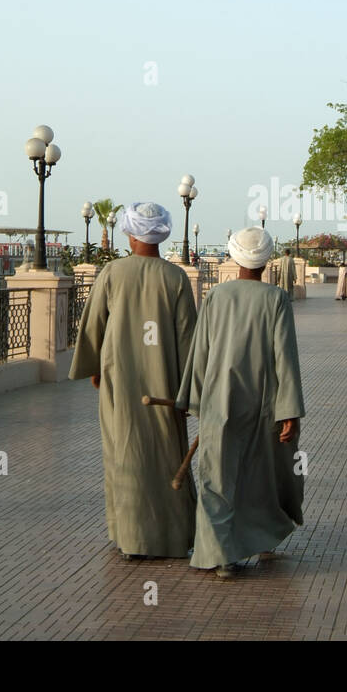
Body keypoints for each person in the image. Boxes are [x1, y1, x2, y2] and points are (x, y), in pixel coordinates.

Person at [70, 202, 197, 560]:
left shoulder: (112, 273)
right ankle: (171, 537)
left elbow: (94, 325)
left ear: (130, 231)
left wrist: (95, 366)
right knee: (166, 453)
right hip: (166, 386)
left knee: (125, 453)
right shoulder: (176, 278)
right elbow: (189, 340)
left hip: (120, 382)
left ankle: (132, 538)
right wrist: (190, 391)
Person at [177, 227, 305, 580]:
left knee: (216, 477)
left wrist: (193, 399)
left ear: (234, 258)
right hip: (262, 402)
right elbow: (285, 358)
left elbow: (200, 350)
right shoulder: (276, 299)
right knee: (257, 475)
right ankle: (256, 539)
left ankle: (220, 557)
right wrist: (289, 410)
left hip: (219, 400)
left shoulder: (217, 297)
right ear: (267, 261)